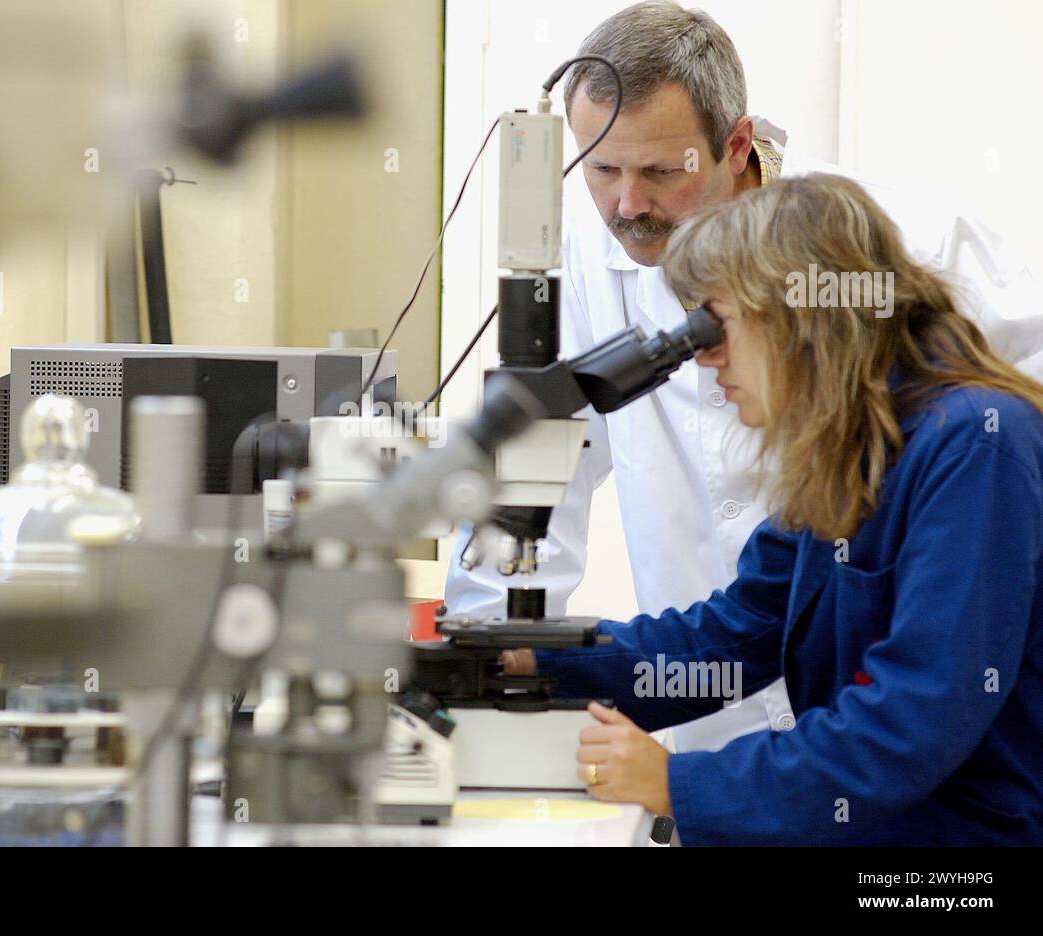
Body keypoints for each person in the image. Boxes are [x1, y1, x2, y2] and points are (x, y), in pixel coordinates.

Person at [445, 0, 1043, 755]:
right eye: (602, 170)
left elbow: (1007, 439)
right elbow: (740, 629)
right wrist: (494, 661)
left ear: (736, 144)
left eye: (661, 171)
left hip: (910, 756)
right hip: (728, 729)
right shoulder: (585, 266)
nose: (627, 205)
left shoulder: (886, 253)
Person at [504, 173, 1043, 845]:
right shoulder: (854, 453)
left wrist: (679, 784)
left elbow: (913, 719)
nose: (705, 362)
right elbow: (733, 637)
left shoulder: (975, 444)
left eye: (717, 325)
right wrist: (533, 659)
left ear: (803, 321)